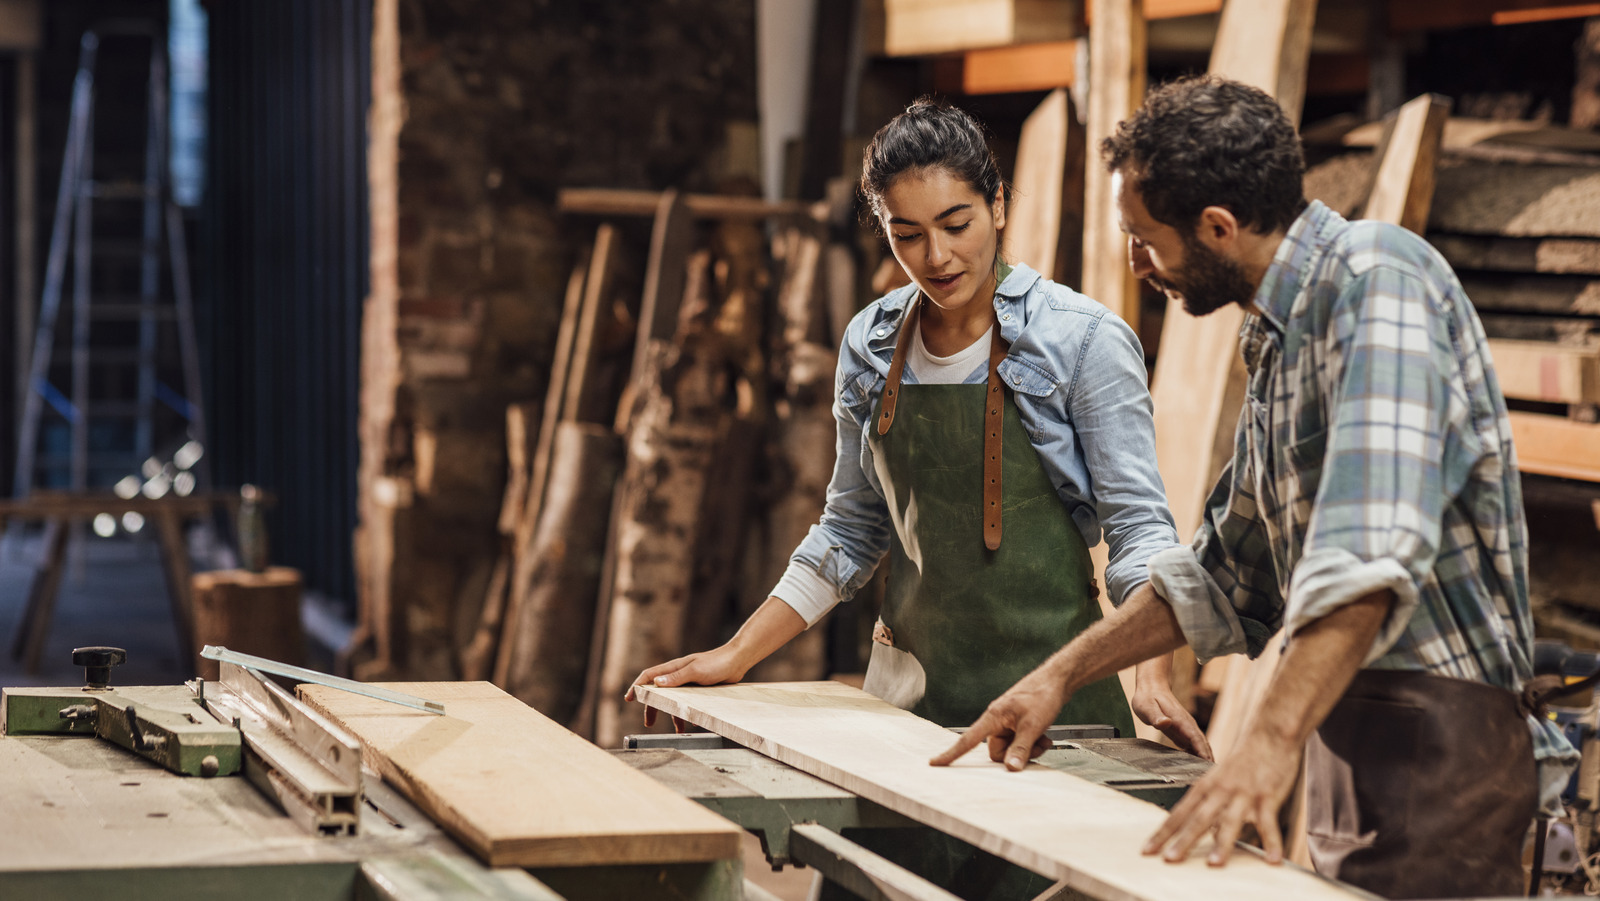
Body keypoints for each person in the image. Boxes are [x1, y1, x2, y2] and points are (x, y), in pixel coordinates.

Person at [932, 74, 1578, 900]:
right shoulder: (1277, 336)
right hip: (1360, 729)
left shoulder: (1376, 283)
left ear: (1218, 228)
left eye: (1145, 239)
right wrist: (1058, 675)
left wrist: (1265, 745)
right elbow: (1223, 576)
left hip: (1449, 740)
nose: (1136, 262)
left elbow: (1367, 563)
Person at [626, 98, 1207, 896]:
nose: (935, 256)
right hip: (901, 727)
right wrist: (737, 654)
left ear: (999, 205)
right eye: (907, 234)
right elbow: (849, 530)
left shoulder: (1082, 340)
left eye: (957, 223)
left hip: (1053, 722)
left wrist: (1151, 671)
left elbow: (1141, 530)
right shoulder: (870, 344)